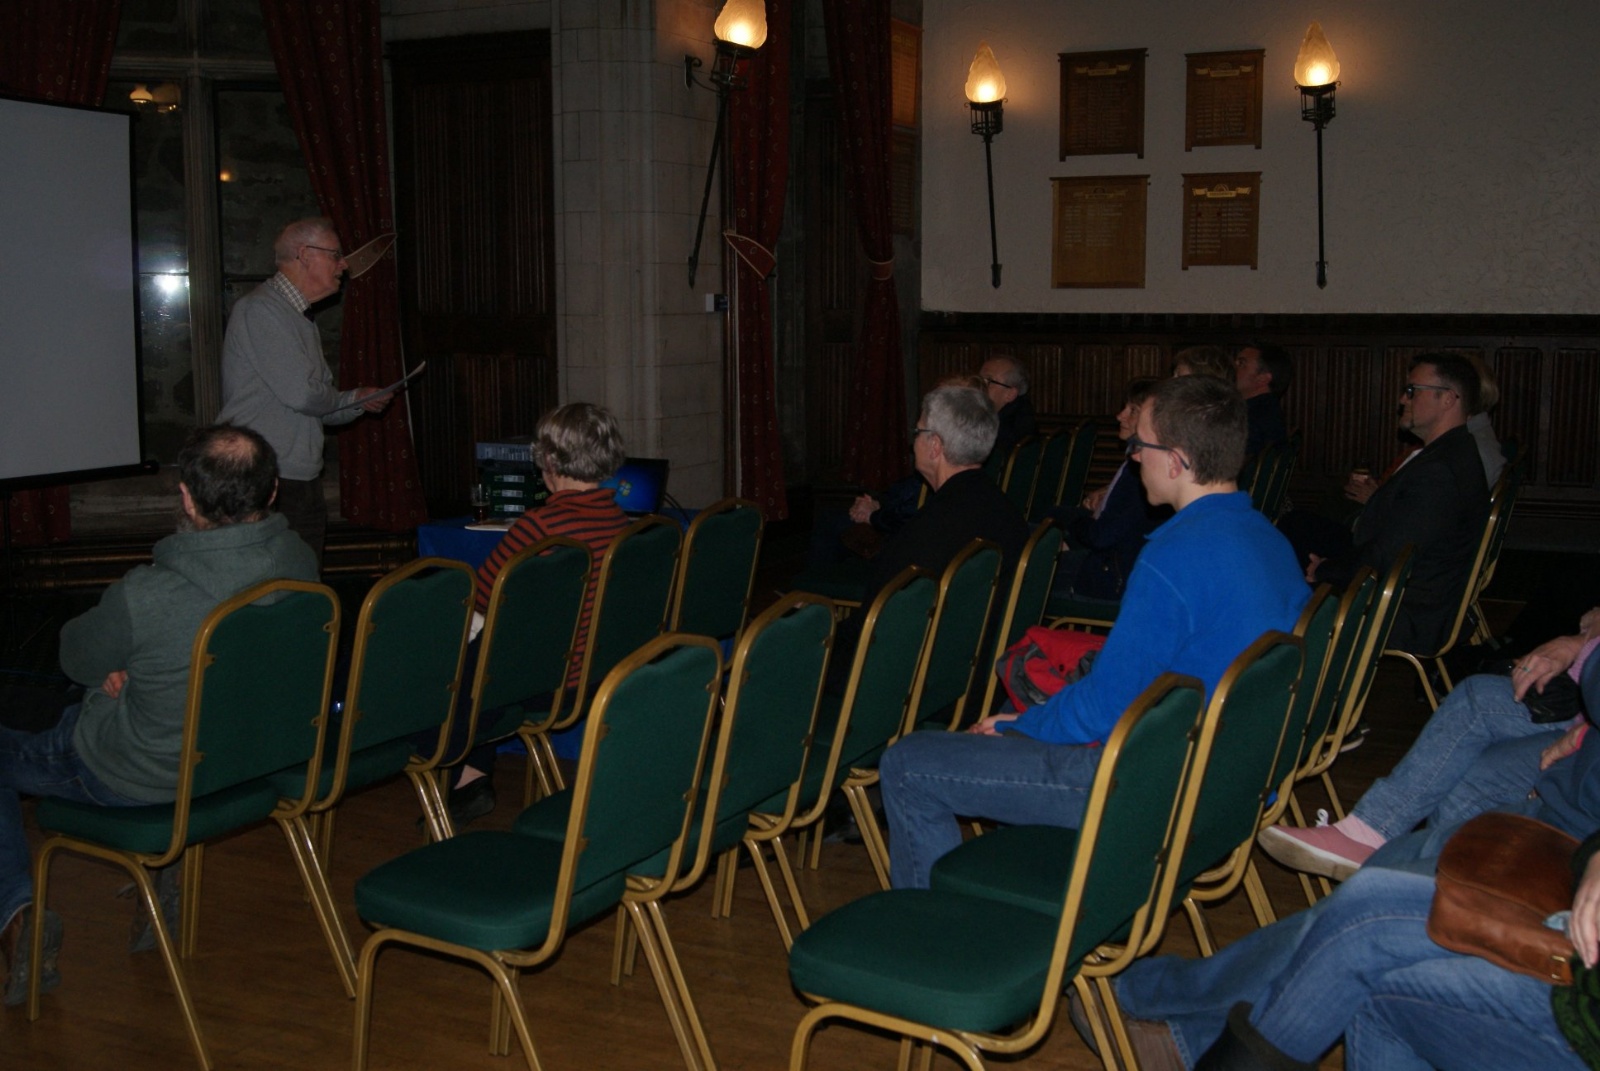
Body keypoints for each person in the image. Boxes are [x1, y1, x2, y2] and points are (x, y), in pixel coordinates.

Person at [879, 375, 1309, 889]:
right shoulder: (1270, 539)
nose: (1131, 457)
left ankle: (933, 934)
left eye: (1138, 445)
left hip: (1148, 782)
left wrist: (1022, 724)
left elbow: (1102, 710)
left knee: (908, 762)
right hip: (1233, 775)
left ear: (1175, 461)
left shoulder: (1174, 557)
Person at [1107, 650, 1600, 1071]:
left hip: (1572, 858)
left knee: (1364, 918)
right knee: (1369, 898)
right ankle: (1170, 1010)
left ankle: (1160, 1007)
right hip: (1560, 819)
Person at [0, 424, 317, 1004]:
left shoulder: (145, 595)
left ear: (187, 498)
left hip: (144, 778)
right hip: (246, 760)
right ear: (272, 494)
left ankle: (16, 914)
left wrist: (116, 663)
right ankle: (162, 876)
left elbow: (74, 654)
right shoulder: (300, 561)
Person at [1257, 609, 1600, 880]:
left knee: (1481, 776)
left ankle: (1426, 884)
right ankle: (1371, 832)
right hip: (1585, 709)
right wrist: (1580, 639)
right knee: (1476, 695)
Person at [442, 401, 632, 826]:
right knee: (494, 655)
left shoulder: (538, 527)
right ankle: (471, 776)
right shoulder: (622, 524)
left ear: (548, 460)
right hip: (597, 672)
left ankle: (446, 760)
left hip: (546, 682)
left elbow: (482, 600)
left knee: (459, 656)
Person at [217, 217, 391, 563]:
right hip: (265, 479)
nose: (343, 264)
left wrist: (357, 401)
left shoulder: (297, 316)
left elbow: (312, 405)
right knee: (274, 595)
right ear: (305, 254)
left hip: (296, 478)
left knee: (302, 593)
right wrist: (346, 398)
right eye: (336, 254)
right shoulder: (262, 310)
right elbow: (304, 396)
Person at [1308, 354, 1490, 655]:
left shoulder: (1439, 471)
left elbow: (1387, 555)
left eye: (1412, 390)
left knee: (1279, 599)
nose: (1402, 399)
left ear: (1447, 399)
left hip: (1408, 614)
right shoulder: (1452, 452)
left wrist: (1326, 571)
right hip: (1412, 598)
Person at [1048, 377, 1171, 604]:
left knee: (1028, 572)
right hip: (1118, 563)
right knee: (1048, 521)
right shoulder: (1143, 463)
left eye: (1132, 410)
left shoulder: (1143, 470)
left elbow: (1102, 537)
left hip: (1115, 579)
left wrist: (1069, 529)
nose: (1120, 416)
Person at [1234, 343, 1293, 460]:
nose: (1233, 368)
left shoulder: (1255, 417)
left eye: (1241, 363)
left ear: (1263, 379)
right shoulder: (1265, 408)